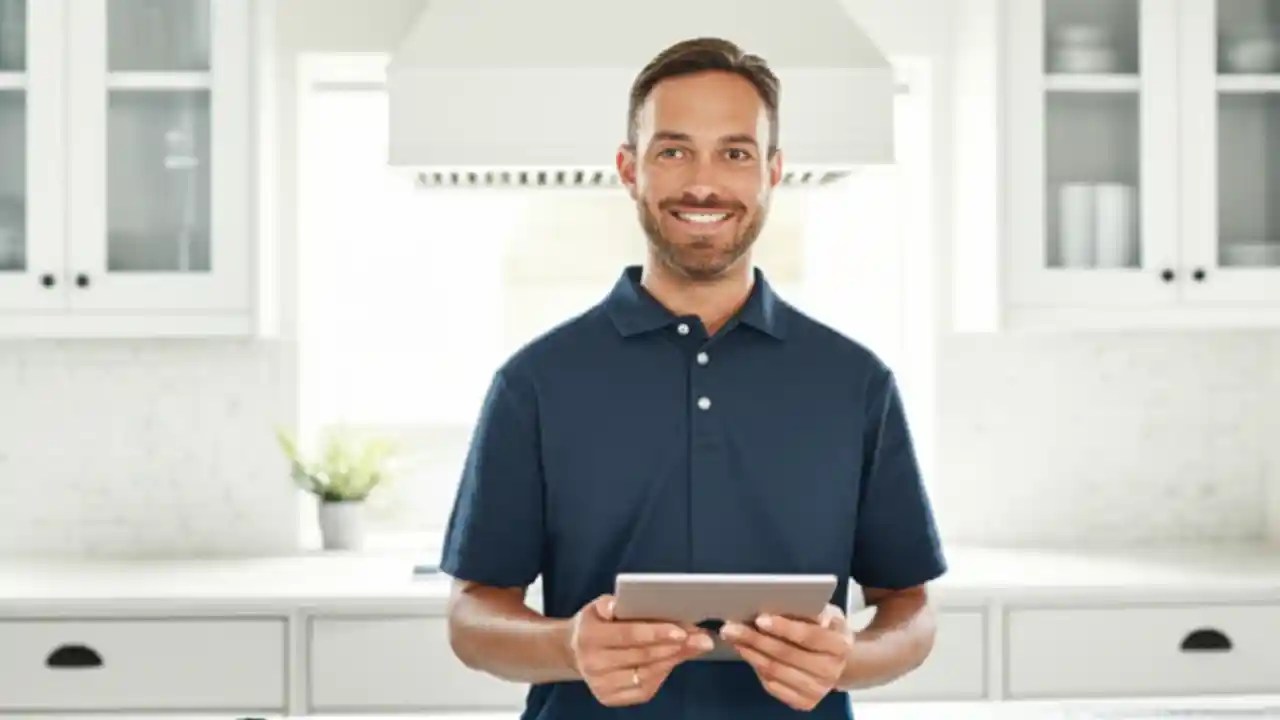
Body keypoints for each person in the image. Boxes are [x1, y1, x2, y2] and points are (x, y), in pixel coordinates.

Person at [438, 36, 947, 720]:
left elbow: (910, 608)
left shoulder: (855, 382)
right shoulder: (535, 381)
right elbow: (473, 616)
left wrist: (850, 657)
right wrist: (568, 647)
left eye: (734, 153)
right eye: (673, 150)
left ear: (773, 170)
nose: (703, 183)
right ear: (629, 168)